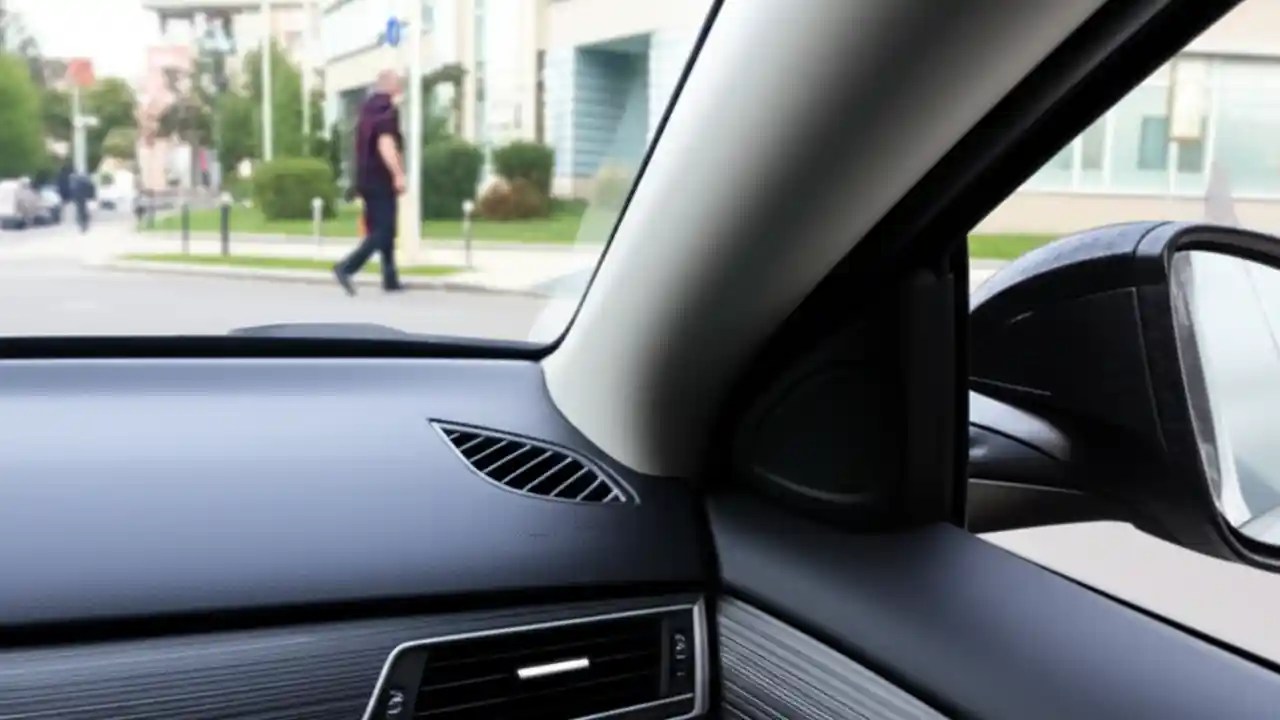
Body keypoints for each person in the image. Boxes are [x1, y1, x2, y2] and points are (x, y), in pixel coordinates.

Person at [333, 70, 406, 295]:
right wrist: (398, 173)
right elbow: (386, 145)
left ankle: (390, 278)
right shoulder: (387, 111)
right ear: (390, 86)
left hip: (365, 179)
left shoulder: (366, 110)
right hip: (381, 178)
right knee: (384, 230)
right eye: (398, 83)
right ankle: (347, 267)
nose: (401, 86)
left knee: (381, 228)